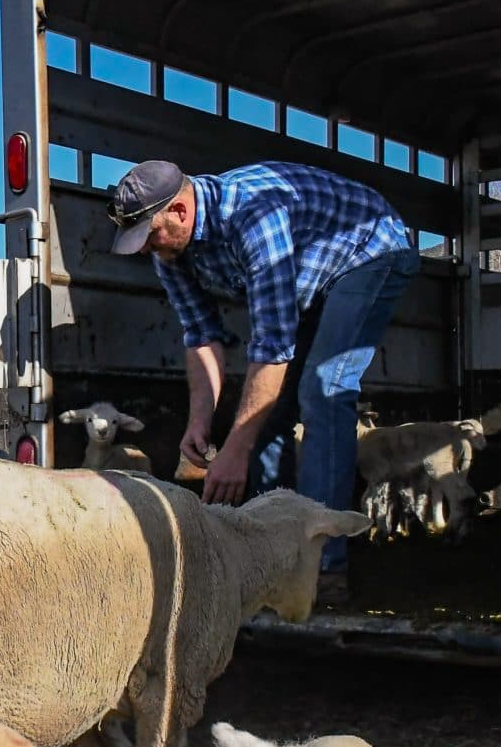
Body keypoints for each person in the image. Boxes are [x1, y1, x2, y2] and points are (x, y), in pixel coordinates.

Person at [106, 158, 419, 599]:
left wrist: (235, 450)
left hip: (369, 250)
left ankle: (320, 565)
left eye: (149, 235)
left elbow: (272, 345)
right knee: (266, 416)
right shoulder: (169, 250)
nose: (144, 248)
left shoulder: (254, 215)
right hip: (309, 281)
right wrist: (200, 422)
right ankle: (268, 552)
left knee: (323, 390)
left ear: (179, 211)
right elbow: (201, 336)